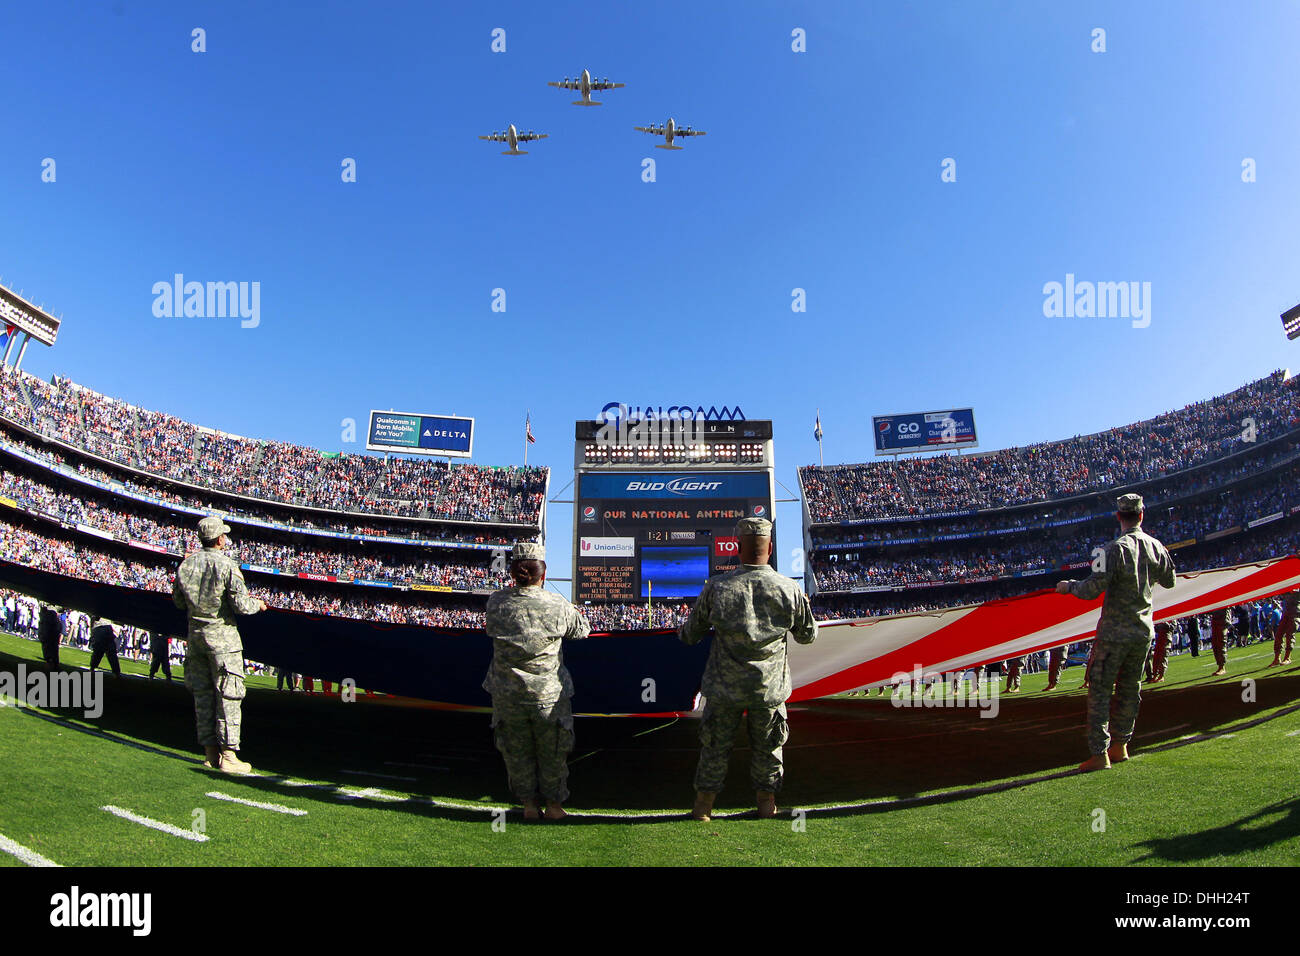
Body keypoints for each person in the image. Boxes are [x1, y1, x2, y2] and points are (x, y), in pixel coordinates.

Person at [679, 517, 818, 820]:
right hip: (768, 689)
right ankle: (766, 804)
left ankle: (704, 807)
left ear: (737, 547)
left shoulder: (717, 587)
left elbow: (689, 635)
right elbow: (808, 636)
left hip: (724, 689)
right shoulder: (788, 589)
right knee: (768, 749)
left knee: (714, 748)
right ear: (770, 547)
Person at [1056, 494, 1175, 772]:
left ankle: (1100, 753)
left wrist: (1068, 586)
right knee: (1130, 689)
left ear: (1119, 517)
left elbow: (1090, 590)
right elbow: (1170, 581)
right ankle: (1121, 746)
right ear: (1142, 515)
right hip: (1142, 632)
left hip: (1113, 634)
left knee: (1099, 691)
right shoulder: (1157, 546)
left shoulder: (1110, 550)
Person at [483, 542, 590, 821]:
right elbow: (581, 631)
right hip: (548, 695)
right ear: (543, 573)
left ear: (513, 572)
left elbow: (490, 629)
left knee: (516, 753)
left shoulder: (496, 602)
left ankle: (529, 805)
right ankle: (554, 806)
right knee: (554, 752)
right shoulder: (556, 604)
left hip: (507, 693)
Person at [172, 515, 266, 774]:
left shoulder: (186, 565)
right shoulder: (227, 566)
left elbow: (179, 602)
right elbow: (241, 605)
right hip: (223, 640)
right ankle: (229, 755)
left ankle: (210, 753)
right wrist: (257, 604)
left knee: (203, 696)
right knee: (229, 696)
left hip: (196, 637)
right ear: (220, 539)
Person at [37, 603, 63, 669]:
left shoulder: (48, 618)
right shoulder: (51, 618)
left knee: (49, 649)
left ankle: (51, 662)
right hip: (51, 636)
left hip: (49, 635)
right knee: (52, 650)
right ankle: (53, 663)